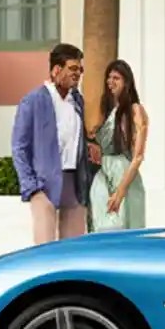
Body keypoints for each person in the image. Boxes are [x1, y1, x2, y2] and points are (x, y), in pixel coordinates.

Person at [10, 43, 98, 244]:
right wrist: (32, 188)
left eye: (80, 69)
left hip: (74, 183)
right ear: (56, 70)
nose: (78, 74)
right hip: (44, 184)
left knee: (73, 251)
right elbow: (19, 147)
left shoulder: (77, 101)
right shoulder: (33, 101)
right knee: (45, 251)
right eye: (73, 69)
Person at [88, 59, 149, 232]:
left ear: (126, 82)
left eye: (116, 78)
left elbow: (138, 156)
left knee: (125, 229)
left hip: (124, 176)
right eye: (109, 78)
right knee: (101, 228)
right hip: (103, 175)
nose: (110, 82)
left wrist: (120, 191)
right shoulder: (108, 109)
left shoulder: (135, 109)